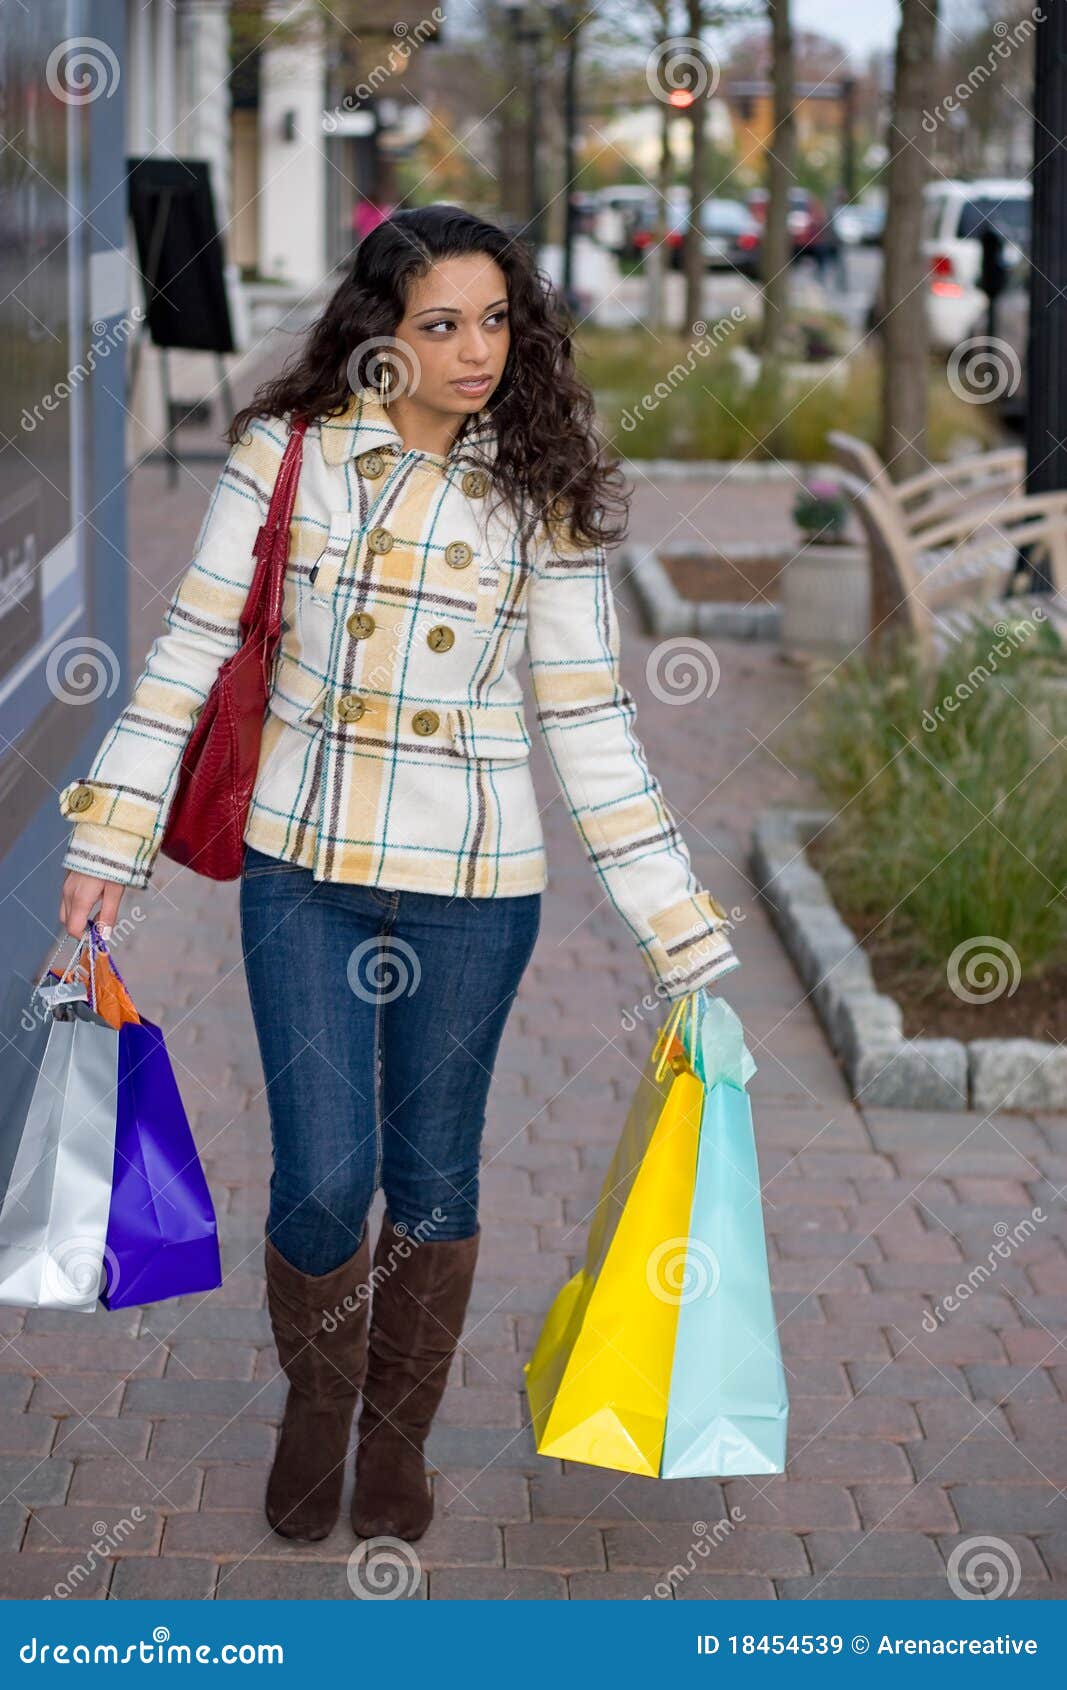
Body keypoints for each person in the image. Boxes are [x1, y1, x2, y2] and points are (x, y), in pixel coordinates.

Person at [56, 204, 740, 1547]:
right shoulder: (287, 454)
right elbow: (190, 651)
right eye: (442, 325)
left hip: (474, 883)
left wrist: (678, 927)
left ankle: (398, 1434)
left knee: (433, 1183)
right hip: (304, 868)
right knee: (321, 1177)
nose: (477, 351)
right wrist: (107, 838)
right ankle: (319, 1404)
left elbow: (590, 717)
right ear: (380, 334)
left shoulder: (541, 480)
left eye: (496, 321)